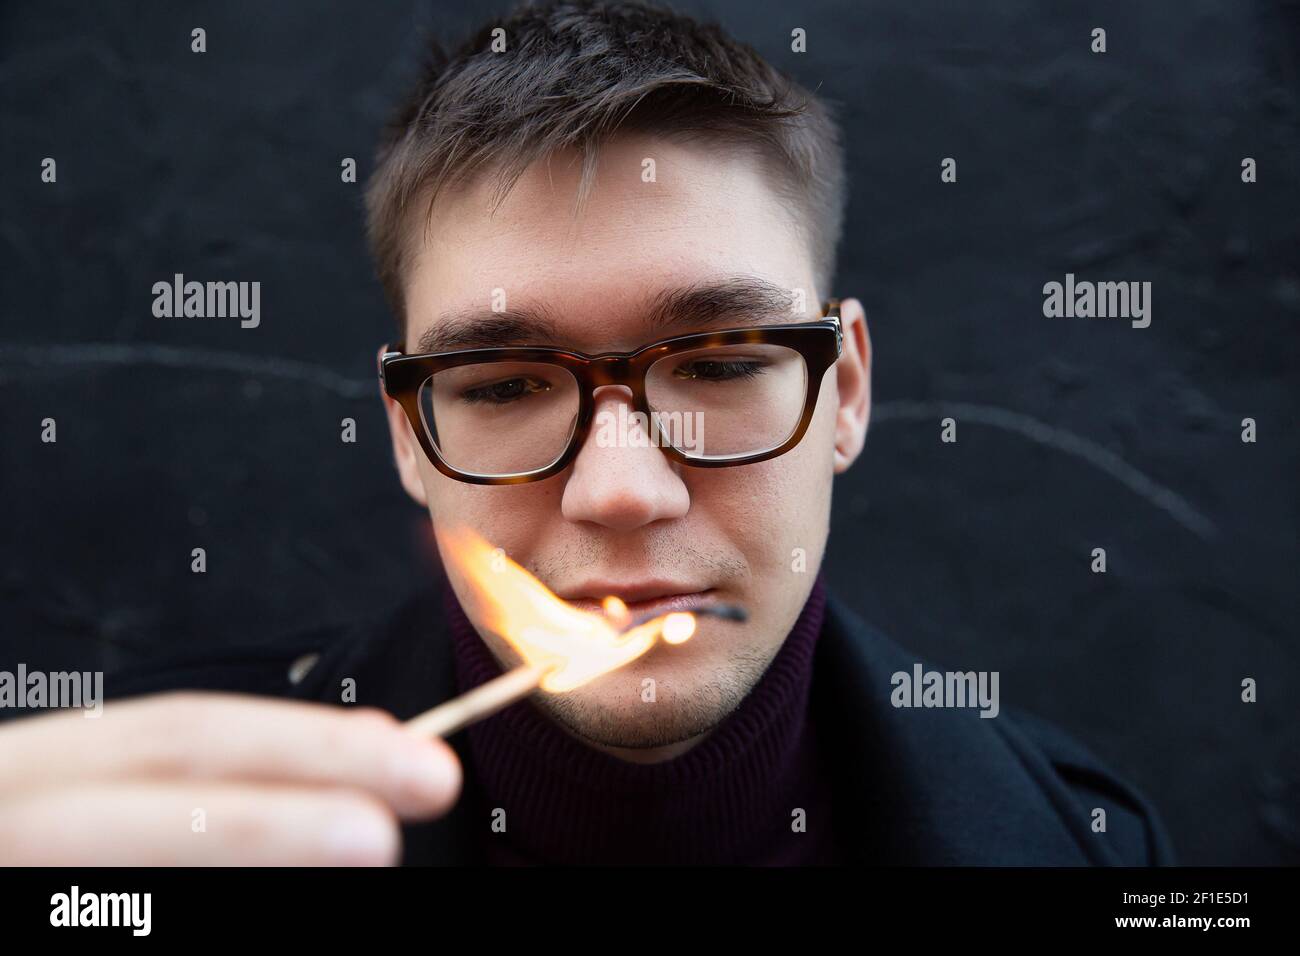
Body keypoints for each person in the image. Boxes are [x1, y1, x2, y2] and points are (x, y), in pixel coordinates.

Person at [0, 0, 1172, 866]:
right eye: (505, 386)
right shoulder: (149, 835)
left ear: (847, 391)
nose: (619, 492)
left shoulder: (1091, 843)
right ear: (408, 433)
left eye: (717, 363)